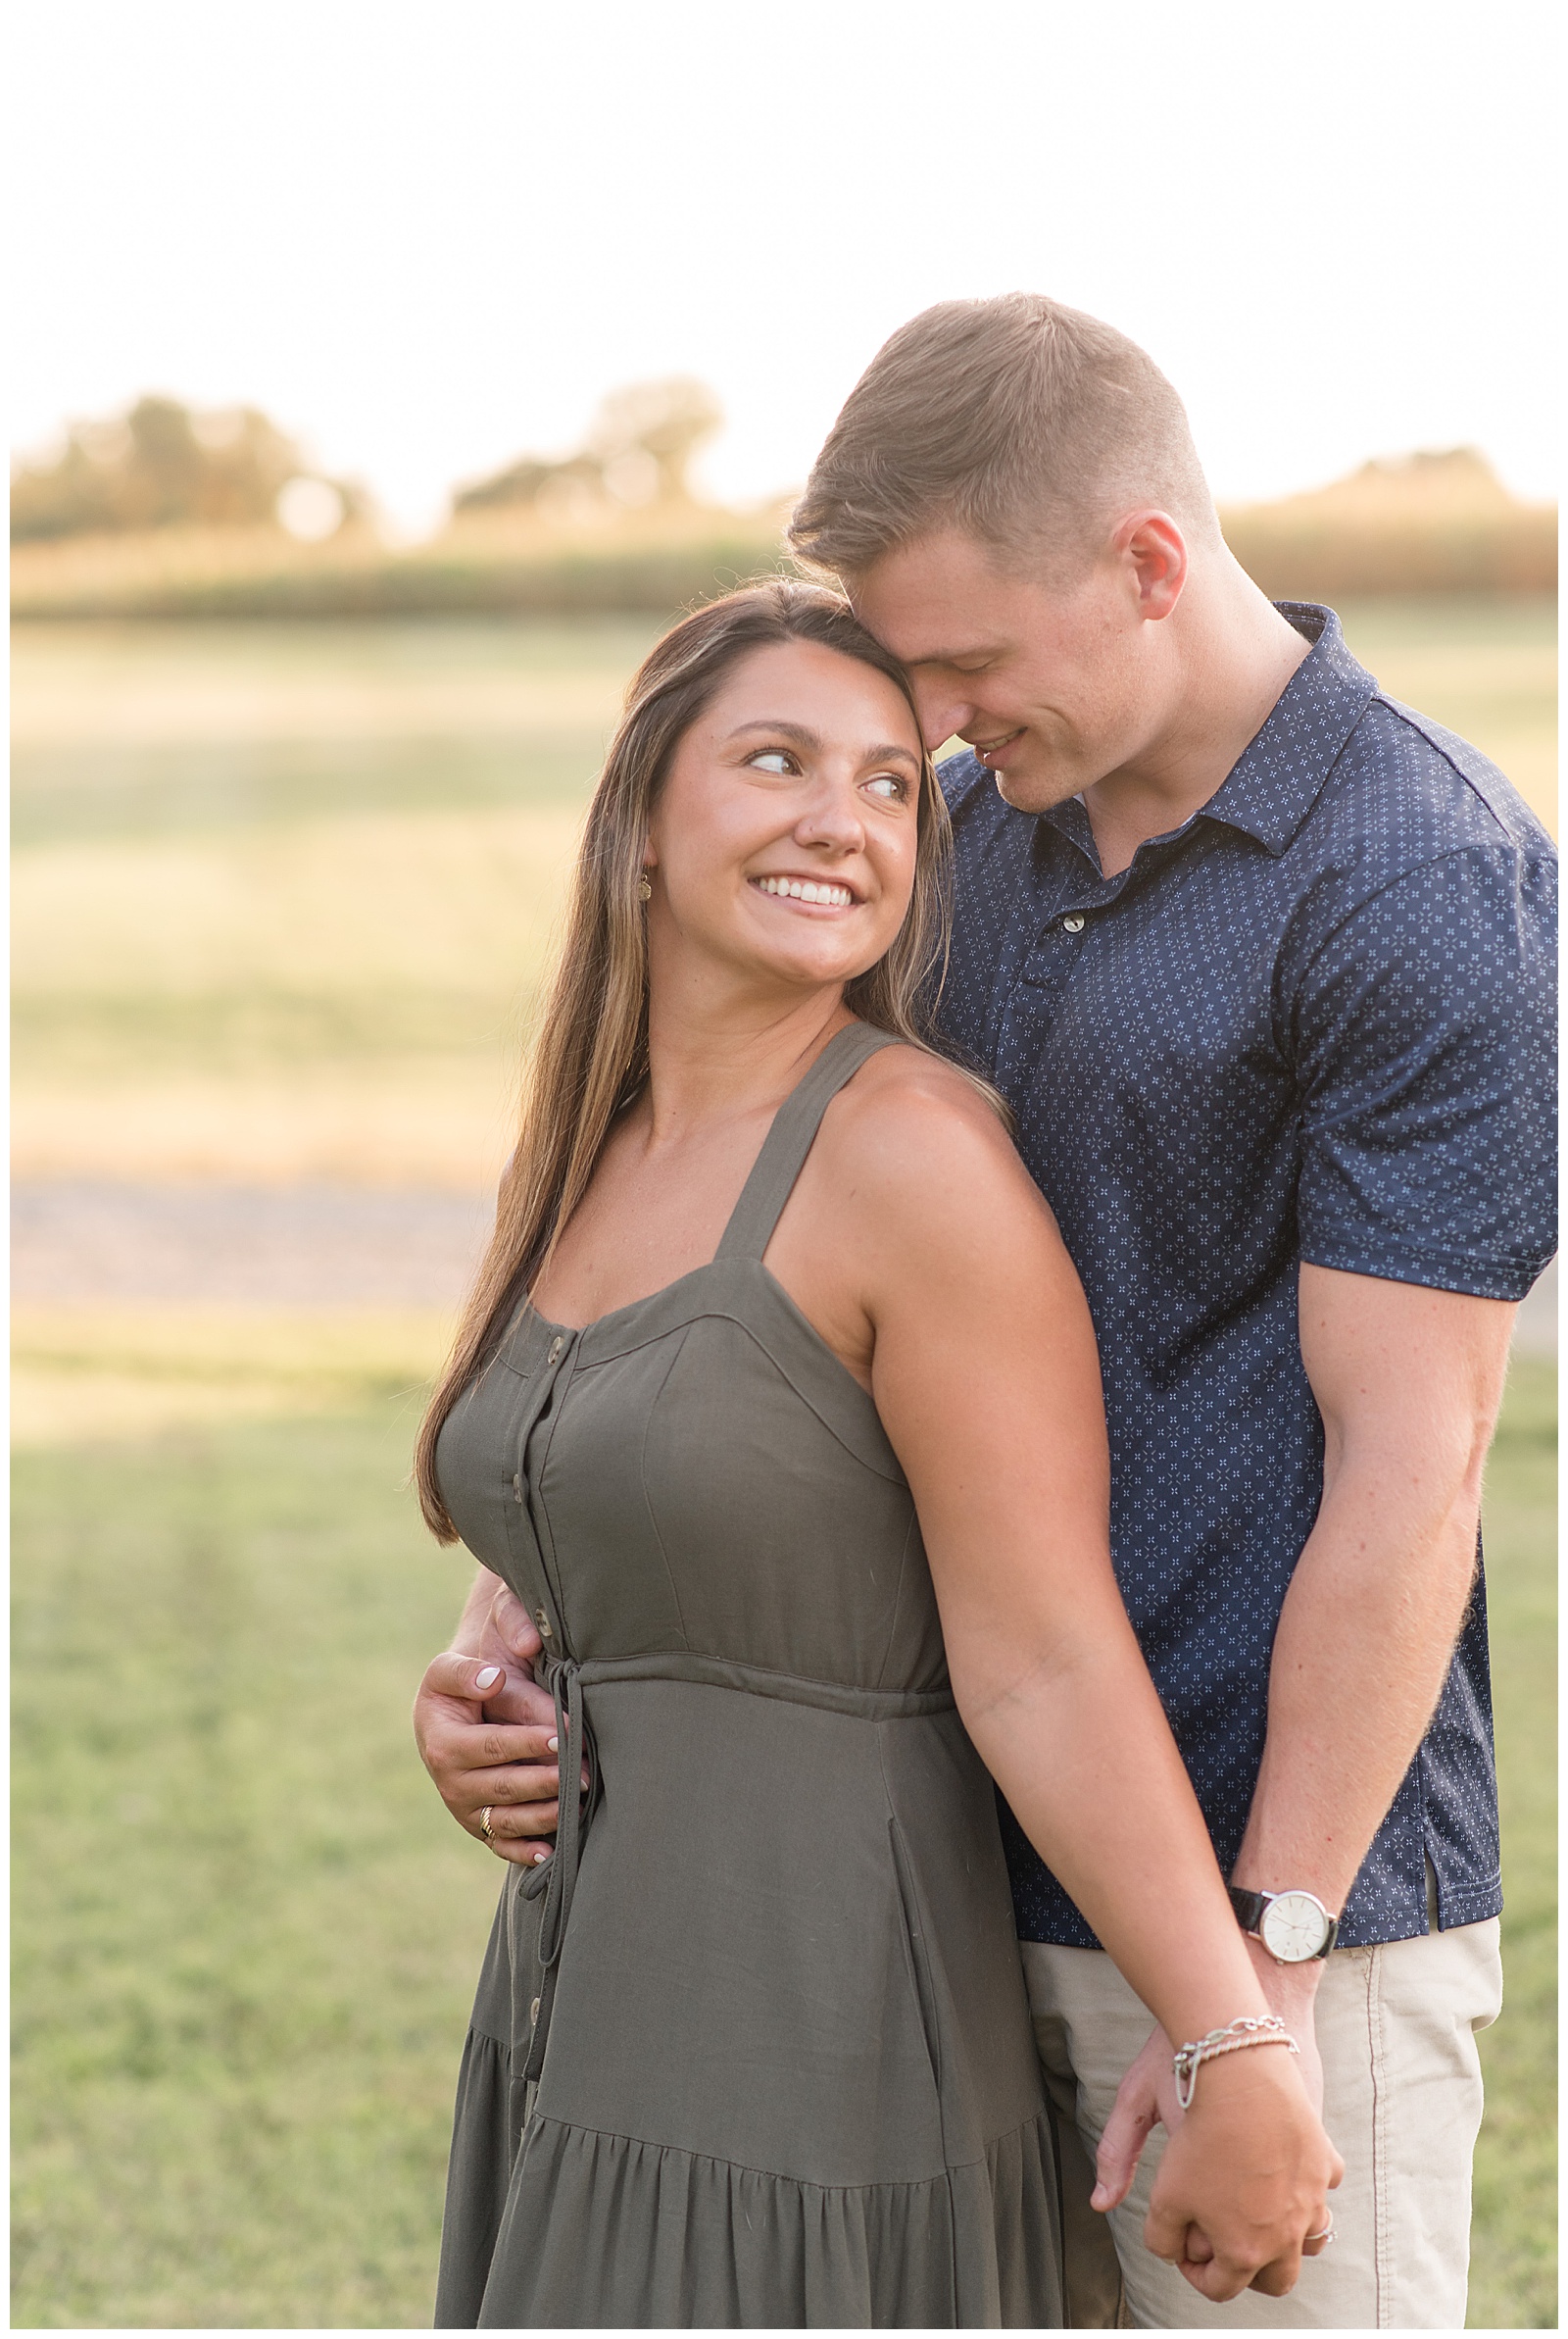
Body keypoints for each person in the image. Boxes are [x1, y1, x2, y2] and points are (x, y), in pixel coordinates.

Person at [413, 582, 1339, 2328]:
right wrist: (483, 1687)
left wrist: (1234, 2038)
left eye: (893, 782)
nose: (844, 820)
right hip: (578, 2006)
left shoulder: (909, 1156)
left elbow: (1046, 1651)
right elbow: (598, 1503)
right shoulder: (596, 1144)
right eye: (778, 761)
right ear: (640, 821)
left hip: (818, 2047)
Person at [781, 295, 1557, 2327]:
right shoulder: (956, 841)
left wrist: (1259, 1983)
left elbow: (1410, 1463)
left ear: (1144, 560)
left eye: (967, 659)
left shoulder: (1419, 874)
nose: (937, 716)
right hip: (945, 1870)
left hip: (1274, 1906)